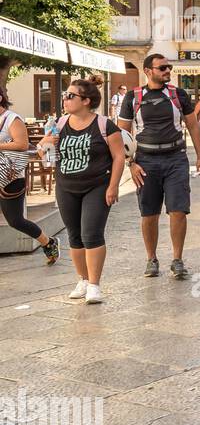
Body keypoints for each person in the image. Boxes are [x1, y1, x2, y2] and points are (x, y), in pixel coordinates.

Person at [117, 53, 200, 279]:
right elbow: (122, 135)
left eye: (169, 67)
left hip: (176, 158)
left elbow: (193, 126)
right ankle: (152, 259)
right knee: (149, 213)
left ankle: (177, 259)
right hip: (145, 161)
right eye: (162, 68)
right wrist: (131, 163)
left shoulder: (178, 94)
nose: (168, 71)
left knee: (179, 210)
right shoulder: (133, 97)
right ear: (148, 71)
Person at [38, 78, 126, 304]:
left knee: (91, 234)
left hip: (97, 186)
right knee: (74, 235)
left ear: (86, 101)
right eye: (64, 95)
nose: (65, 99)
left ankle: (94, 285)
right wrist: (45, 143)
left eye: (70, 96)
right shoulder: (59, 123)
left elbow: (119, 157)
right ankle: (83, 280)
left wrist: (113, 185)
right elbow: (47, 157)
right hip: (66, 186)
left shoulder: (105, 125)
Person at [0, 85, 60, 264]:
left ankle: (48, 242)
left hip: (10, 177)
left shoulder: (12, 119)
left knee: (15, 220)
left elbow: (22, 144)